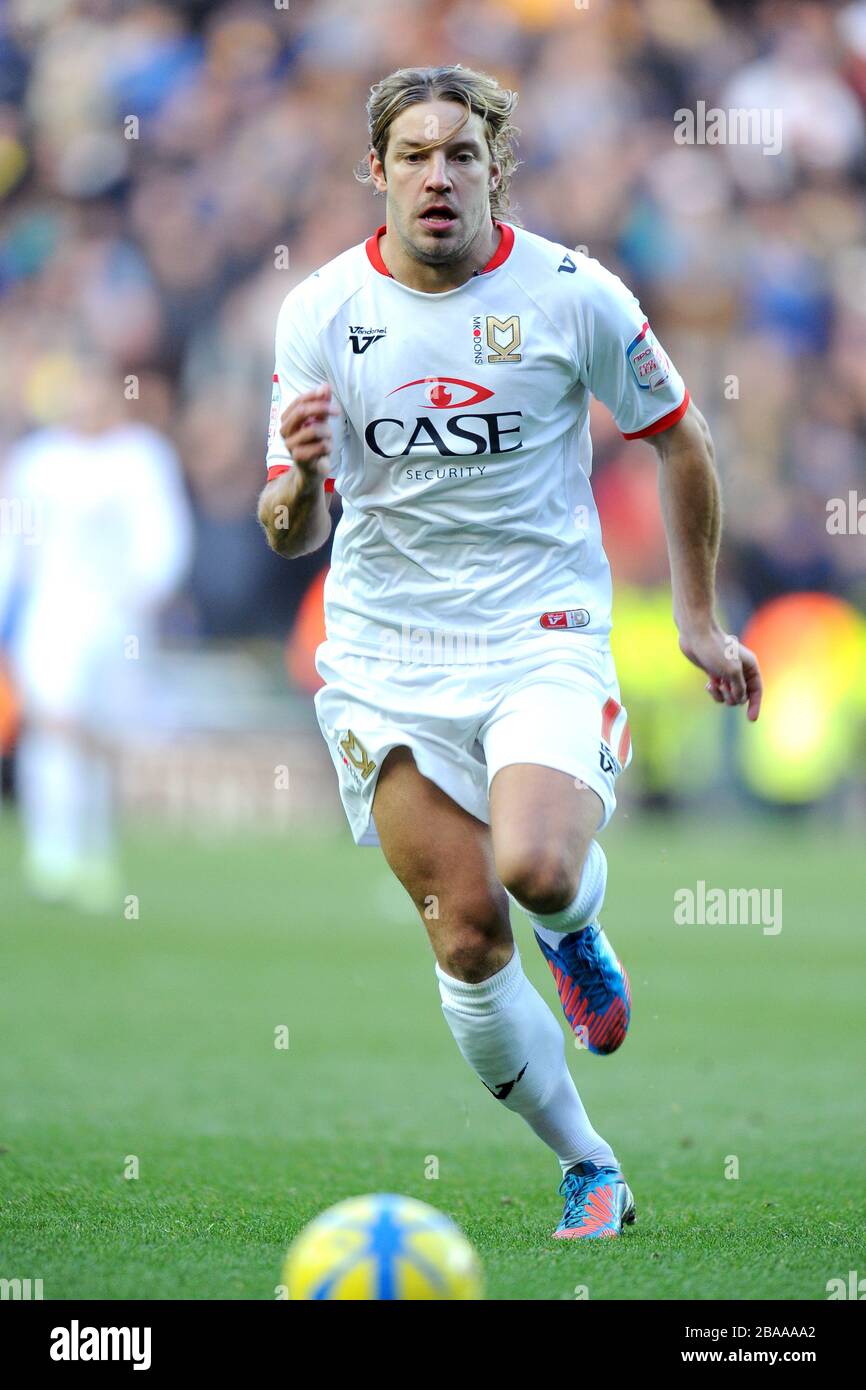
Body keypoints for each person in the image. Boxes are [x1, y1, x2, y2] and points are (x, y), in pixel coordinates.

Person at [257, 65, 762, 1238]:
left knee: (534, 872)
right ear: (372, 172)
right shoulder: (321, 313)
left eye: (462, 154)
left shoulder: (572, 294)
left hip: (537, 633)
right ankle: (589, 1164)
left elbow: (678, 439)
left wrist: (694, 618)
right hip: (382, 658)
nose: (438, 175)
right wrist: (302, 474)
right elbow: (287, 531)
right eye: (415, 155)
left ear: (497, 169)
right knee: (469, 928)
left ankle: (576, 927)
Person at [0, 359, 192, 911]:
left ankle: (94, 851)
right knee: (53, 724)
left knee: (99, 736)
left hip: (118, 619)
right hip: (51, 613)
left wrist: (143, 594)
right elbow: (15, 545)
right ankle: (51, 856)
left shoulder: (140, 457)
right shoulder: (37, 462)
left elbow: (163, 538)